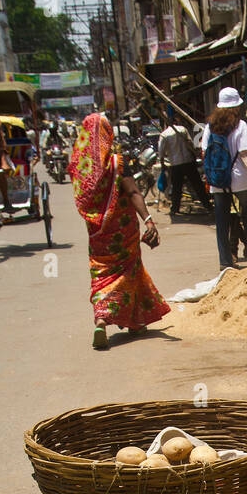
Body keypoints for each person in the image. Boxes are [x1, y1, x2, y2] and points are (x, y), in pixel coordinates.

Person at [69, 112, 170, 351]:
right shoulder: (116, 163)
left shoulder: (79, 170)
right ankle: (130, 320)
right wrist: (148, 220)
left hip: (97, 236)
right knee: (128, 272)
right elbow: (134, 192)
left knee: (101, 275)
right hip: (123, 232)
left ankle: (104, 319)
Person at [201, 87, 247, 270]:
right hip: (239, 179)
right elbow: (244, 153)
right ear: (236, 106)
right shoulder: (241, 125)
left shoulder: (210, 125)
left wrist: (211, 174)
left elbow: (204, 151)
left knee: (222, 222)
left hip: (218, 180)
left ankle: (225, 262)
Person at [158, 106, 210, 219]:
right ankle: (208, 205)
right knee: (197, 185)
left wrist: (162, 165)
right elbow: (190, 143)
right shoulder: (182, 129)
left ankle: (175, 209)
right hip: (188, 161)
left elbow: (161, 152)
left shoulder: (164, 135)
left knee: (177, 187)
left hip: (176, 164)